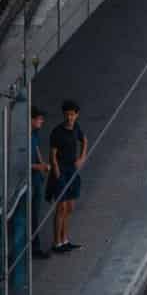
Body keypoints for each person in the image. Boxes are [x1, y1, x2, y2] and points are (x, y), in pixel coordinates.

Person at [47, 100, 87, 253]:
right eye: (67, 115)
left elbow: (84, 140)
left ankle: (65, 240)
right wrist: (56, 171)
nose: (69, 118)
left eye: (72, 115)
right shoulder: (57, 132)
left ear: (77, 115)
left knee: (69, 207)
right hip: (61, 172)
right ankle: (56, 243)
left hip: (72, 170)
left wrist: (82, 157)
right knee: (61, 207)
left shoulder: (76, 127)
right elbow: (53, 154)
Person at [30, 108, 50, 259]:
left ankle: (35, 246)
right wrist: (40, 166)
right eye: (39, 118)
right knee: (29, 216)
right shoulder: (23, 137)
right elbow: (22, 163)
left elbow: (36, 148)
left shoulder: (34, 133)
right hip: (28, 181)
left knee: (34, 214)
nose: (42, 121)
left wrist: (42, 163)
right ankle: (32, 248)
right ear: (31, 120)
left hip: (36, 179)